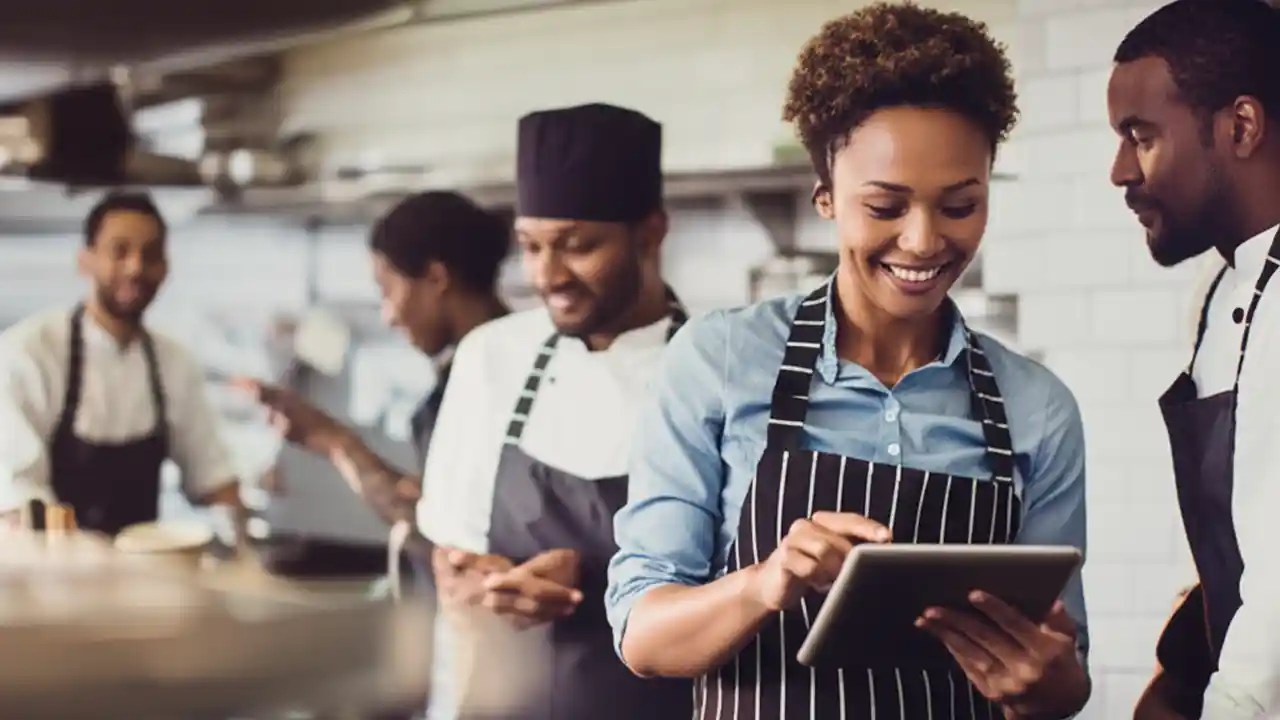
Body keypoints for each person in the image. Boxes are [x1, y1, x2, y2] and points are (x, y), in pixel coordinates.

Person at [605, 5, 1092, 719]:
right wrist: (766, 583)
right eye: (886, 206)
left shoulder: (1038, 407)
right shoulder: (719, 361)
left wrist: (1049, 684)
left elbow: (1065, 673)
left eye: (960, 206)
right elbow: (643, 637)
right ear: (827, 198)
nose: (924, 241)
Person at [415, 102, 693, 720]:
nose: (548, 275)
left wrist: (593, 579)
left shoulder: (712, 370)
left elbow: (749, 581)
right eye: (532, 246)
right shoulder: (492, 356)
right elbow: (449, 555)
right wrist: (482, 581)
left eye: (577, 245)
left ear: (651, 232)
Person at [1107, 1, 1280, 717]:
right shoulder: (1221, 294)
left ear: (1239, 127)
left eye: (1139, 137)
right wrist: (1180, 672)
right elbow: (1239, 534)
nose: (1120, 171)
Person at [237, 190, 510, 529]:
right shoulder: (473, 372)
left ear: (436, 279)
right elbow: (434, 509)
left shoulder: (497, 382)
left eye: (387, 290)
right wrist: (328, 437)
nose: (388, 316)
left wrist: (333, 441)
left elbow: (438, 529)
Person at [0, 191, 248, 541]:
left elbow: (214, 479)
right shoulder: (29, 354)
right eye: (120, 251)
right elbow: (19, 501)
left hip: (145, 581)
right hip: (45, 575)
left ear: (165, 267)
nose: (136, 267)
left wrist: (242, 544)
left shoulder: (174, 362)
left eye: (150, 254)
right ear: (85, 261)